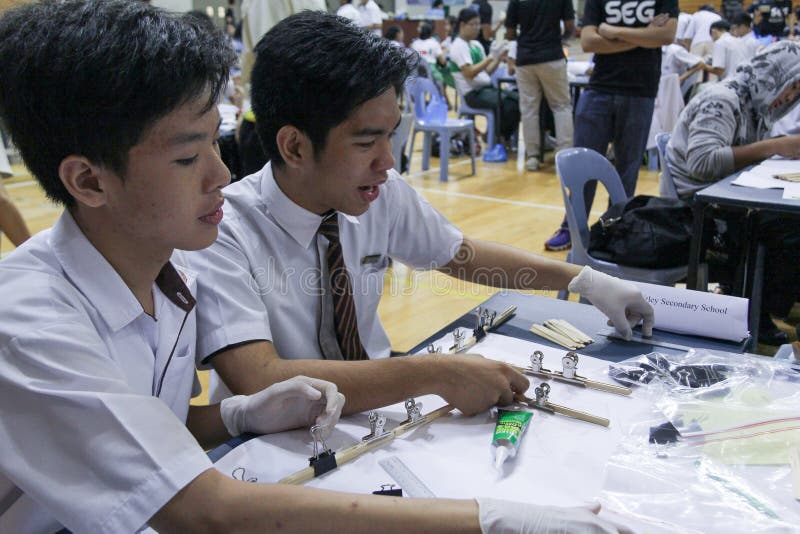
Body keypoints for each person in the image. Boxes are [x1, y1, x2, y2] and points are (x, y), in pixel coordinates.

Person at [0, 2, 632, 532]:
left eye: (217, 143)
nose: (221, 173)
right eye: (190, 157)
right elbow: (206, 510)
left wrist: (236, 416)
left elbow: (142, 429)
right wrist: (487, 518)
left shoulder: (167, 275)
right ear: (89, 180)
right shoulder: (33, 321)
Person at [186, 10, 654, 422]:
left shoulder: (377, 192)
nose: (387, 160)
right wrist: (432, 373)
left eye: (391, 135)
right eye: (366, 142)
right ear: (294, 146)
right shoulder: (224, 231)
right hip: (274, 443)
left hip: (377, 411)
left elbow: (461, 254)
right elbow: (258, 377)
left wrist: (582, 279)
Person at [666, 41, 800, 345]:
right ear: (773, 75)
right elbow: (702, 162)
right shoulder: (722, 99)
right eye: (791, 86)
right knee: (789, 230)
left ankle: (758, 300)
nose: (790, 96)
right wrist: (776, 146)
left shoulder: (757, 107)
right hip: (697, 209)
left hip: (726, 200)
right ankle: (756, 310)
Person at [544, 0, 679, 251]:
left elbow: (666, 35)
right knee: (582, 165)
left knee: (627, 169)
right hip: (599, 88)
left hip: (640, 91)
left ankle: (613, 229)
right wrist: (644, 36)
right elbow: (588, 42)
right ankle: (571, 228)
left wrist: (613, 31)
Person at [506, 0, 575, 172]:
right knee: (561, 106)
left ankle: (532, 157)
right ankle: (566, 155)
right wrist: (559, 39)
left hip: (525, 58)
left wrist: (527, 37)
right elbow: (570, 27)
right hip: (552, 55)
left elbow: (510, 32)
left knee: (529, 109)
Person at [450, 8, 520, 146]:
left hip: (486, 90)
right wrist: (490, 57)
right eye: (473, 24)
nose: (477, 28)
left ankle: (496, 135)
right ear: (462, 25)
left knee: (519, 99)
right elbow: (469, 73)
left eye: (478, 24)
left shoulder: (476, 45)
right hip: (472, 94)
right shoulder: (458, 46)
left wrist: (498, 57)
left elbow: (487, 72)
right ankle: (496, 136)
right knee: (510, 105)